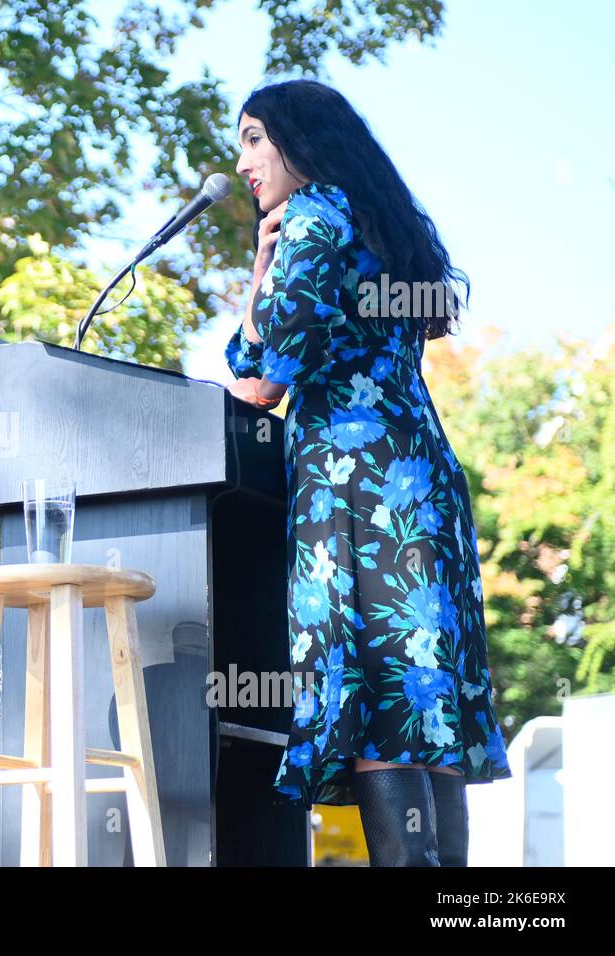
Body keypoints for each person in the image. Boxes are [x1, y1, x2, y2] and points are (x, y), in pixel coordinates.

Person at [225, 79, 512, 866]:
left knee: (382, 705)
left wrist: (265, 272)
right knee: (422, 708)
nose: (244, 159)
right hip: (418, 479)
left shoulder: (316, 216)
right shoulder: (375, 225)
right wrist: (262, 260)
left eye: (254, 137)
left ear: (300, 140)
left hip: (355, 491)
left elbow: (263, 377)